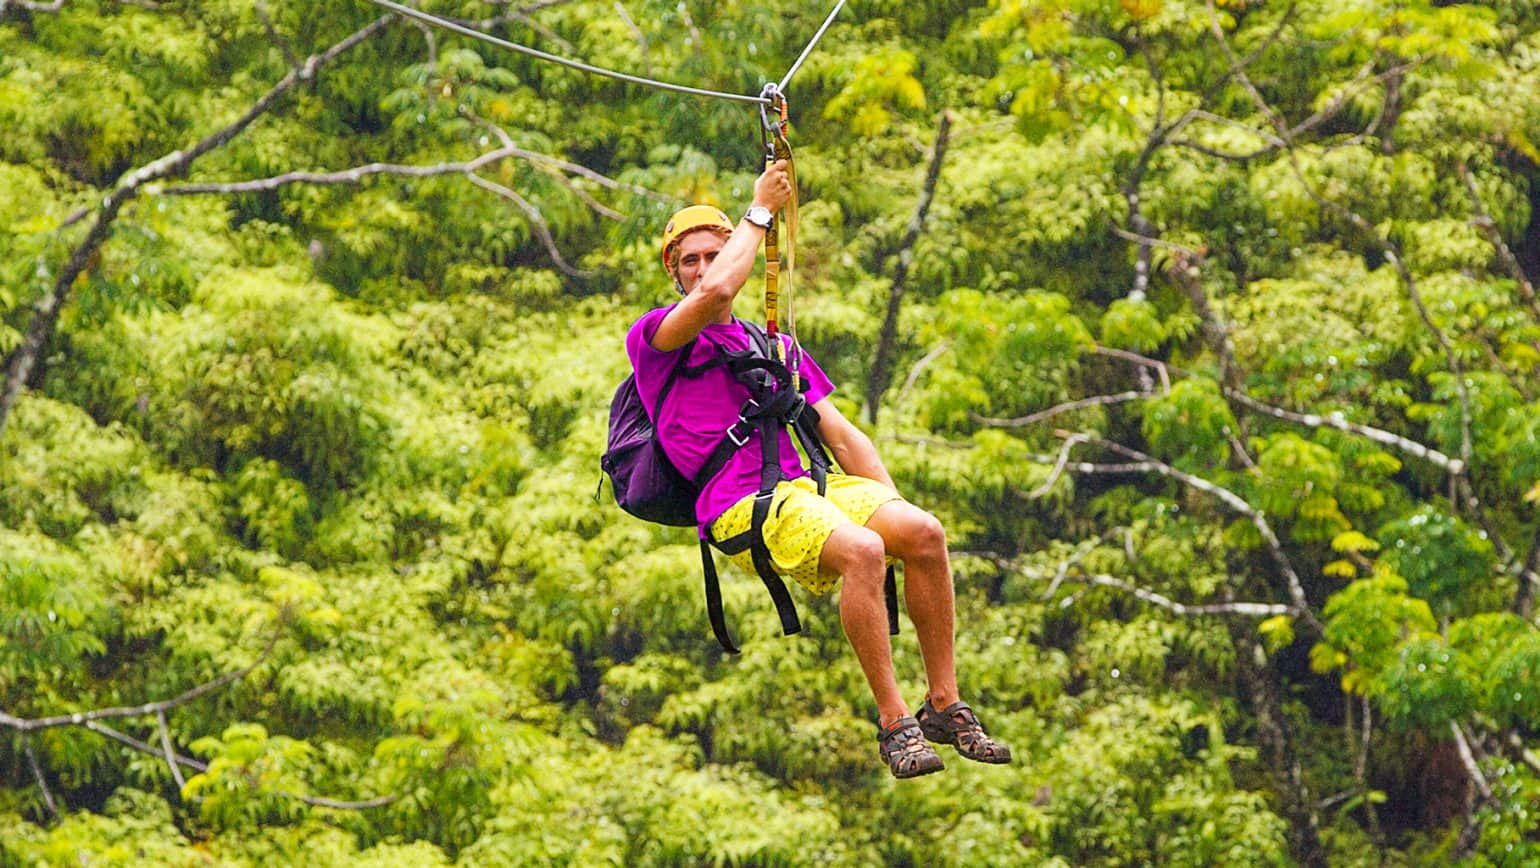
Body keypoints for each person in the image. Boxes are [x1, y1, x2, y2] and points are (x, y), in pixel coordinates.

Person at [625, 160, 1011, 779]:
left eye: (711, 254)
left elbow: (841, 433)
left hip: (805, 487)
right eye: (689, 260)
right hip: (738, 503)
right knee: (860, 549)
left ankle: (944, 704)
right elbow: (716, 294)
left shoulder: (774, 346)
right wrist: (759, 211)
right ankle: (894, 725)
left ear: (733, 254)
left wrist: (895, 512)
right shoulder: (658, 339)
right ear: (674, 273)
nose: (702, 268)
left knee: (925, 533)